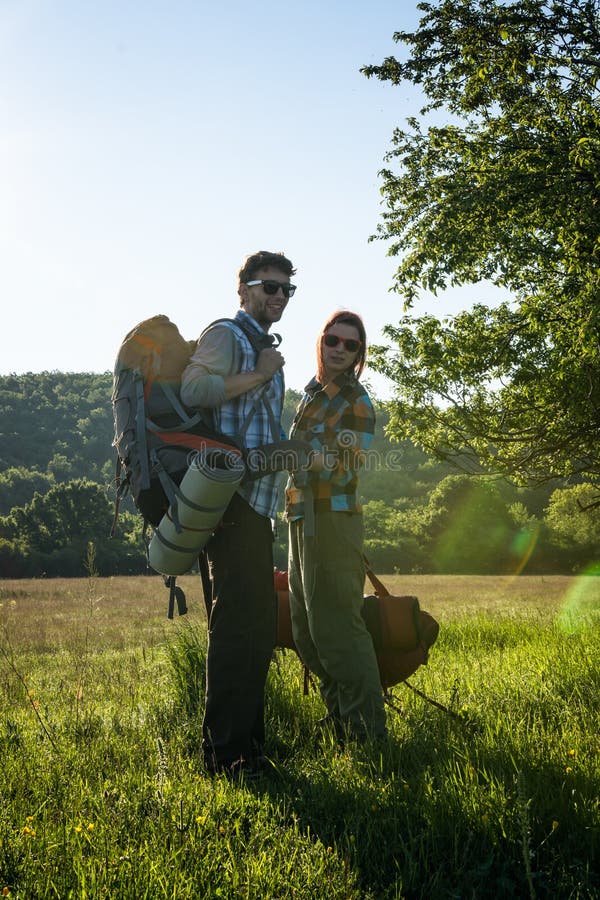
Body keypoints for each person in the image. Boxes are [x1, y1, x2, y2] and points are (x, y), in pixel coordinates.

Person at [180, 249, 296, 777]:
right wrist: (260, 374)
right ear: (244, 290)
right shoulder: (228, 334)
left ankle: (248, 749)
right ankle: (225, 756)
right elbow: (194, 387)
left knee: (254, 626)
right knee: (236, 627)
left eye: (285, 289)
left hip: (258, 504)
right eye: (268, 286)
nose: (277, 296)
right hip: (230, 502)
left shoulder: (262, 345)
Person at [285, 310, 386, 742]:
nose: (340, 350)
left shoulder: (356, 403)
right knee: (306, 630)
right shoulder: (311, 395)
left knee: (338, 628)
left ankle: (369, 734)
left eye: (351, 345)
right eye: (334, 340)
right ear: (321, 341)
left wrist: (292, 454)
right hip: (298, 514)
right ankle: (340, 721)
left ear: (360, 353)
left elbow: (342, 468)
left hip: (333, 517)